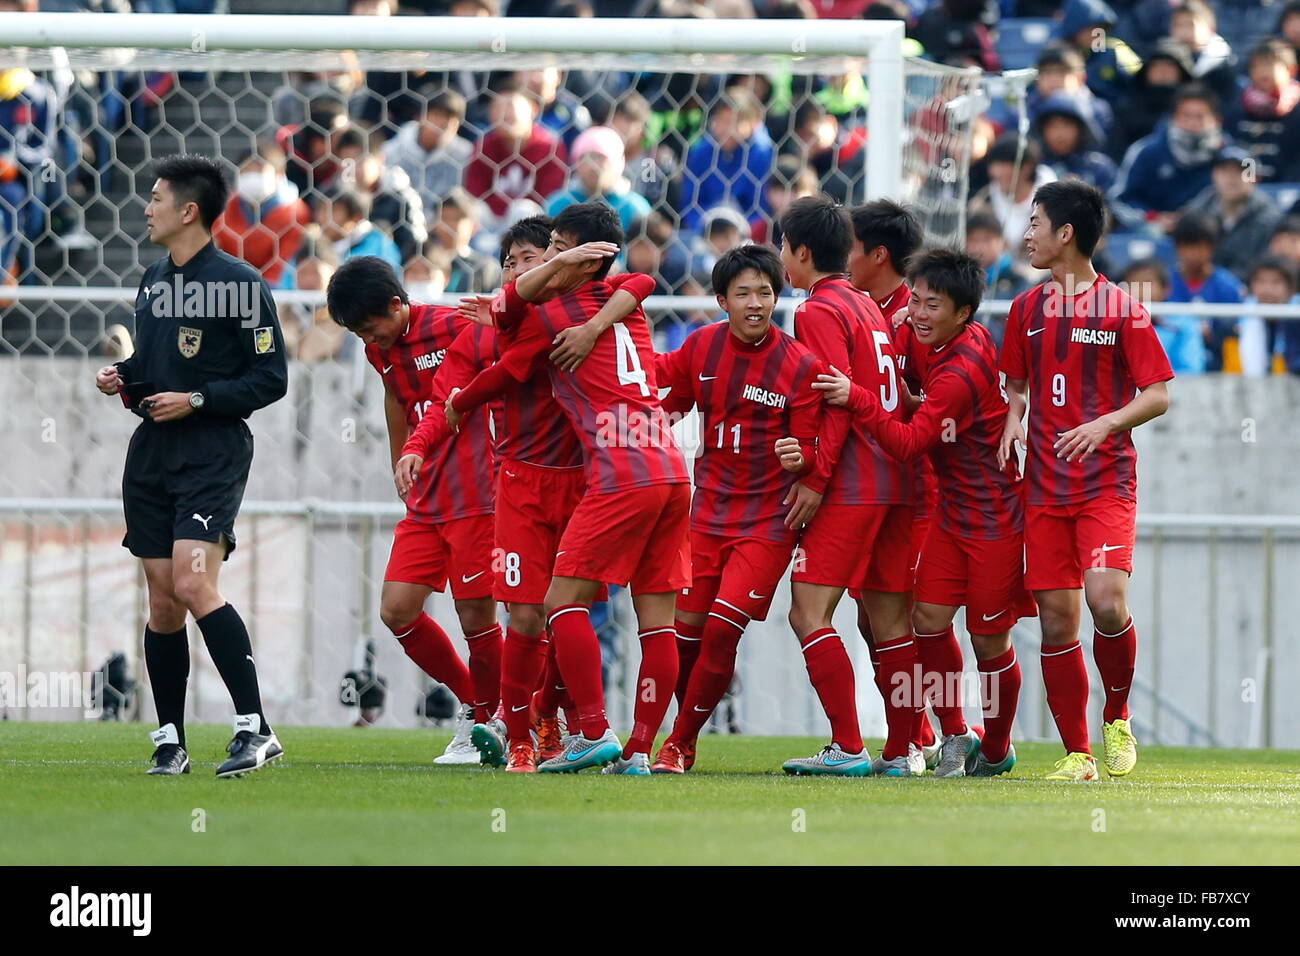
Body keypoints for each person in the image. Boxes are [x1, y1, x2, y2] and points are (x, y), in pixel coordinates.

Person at [449, 202, 691, 775]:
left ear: (586, 260)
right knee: (656, 621)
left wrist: (459, 403)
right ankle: (637, 753)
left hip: (619, 473)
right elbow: (639, 280)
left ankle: (592, 731)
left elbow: (507, 349)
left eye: (559, 249)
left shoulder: (554, 313)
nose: (548, 260)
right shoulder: (625, 306)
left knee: (559, 603)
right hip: (671, 468)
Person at [94, 154, 288, 778]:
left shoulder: (241, 283)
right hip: (153, 453)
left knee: (193, 581)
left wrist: (197, 400)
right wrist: (122, 376)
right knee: (162, 599)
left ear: (188, 211)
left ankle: (255, 728)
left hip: (212, 450)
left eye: (155, 198)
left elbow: (271, 377)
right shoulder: (154, 280)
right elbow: (154, 369)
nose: (145, 208)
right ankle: (170, 741)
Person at [814, 248, 1032, 778]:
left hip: (994, 516)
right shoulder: (925, 335)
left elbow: (910, 442)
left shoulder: (962, 366)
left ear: (963, 313)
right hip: (951, 512)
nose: (917, 313)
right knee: (928, 621)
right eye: (915, 300)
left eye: (932, 305)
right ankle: (955, 735)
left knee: (989, 640)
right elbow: (909, 389)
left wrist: (856, 397)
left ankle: (996, 746)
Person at [999, 180, 1173, 781]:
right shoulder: (1025, 310)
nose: (1027, 235)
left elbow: (1157, 394)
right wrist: (1014, 419)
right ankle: (1078, 755)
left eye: (1035, 223)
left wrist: (1106, 423)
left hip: (1104, 483)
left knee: (1106, 602)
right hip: (1043, 487)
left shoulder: (1122, 308)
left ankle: (1117, 716)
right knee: (1055, 621)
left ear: (1066, 233)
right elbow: (1016, 385)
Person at [647, 244, 824, 774]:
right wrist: (632, 435)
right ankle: (689, 726)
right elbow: (664, 402)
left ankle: (679, 741)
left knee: (724, 629)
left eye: (765, 293)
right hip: (707, 513)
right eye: (743, 293)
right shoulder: (701, 347)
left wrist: (801, 456)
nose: (755, 303)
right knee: (684, 636)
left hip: (768, 520)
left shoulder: (800, 364)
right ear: (722, 301)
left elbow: (812, 447)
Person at [325, 256, 502, 766]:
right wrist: (398, 459)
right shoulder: (378, 350)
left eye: (370, 327)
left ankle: (501, 718)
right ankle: (479, 705)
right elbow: (394, 399)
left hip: (477, 495)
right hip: (426, 500)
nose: (369, 339)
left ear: (397, 304)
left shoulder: (454, 326)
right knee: (397, 610)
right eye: (358, 333)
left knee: (476, 616)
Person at [774, 195, 915, 777]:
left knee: (808, 611)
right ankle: (903, 751)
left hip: (853, 479)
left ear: (803, 253)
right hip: (894, 477)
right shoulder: (864, 302)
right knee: (888, 618)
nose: (781, 258)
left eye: (784, 247)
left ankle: (848, 746)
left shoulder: (817, 310)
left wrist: (815, 477)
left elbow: (832, 399)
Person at [845, 197, 942, 765]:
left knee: (914, 618)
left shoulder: (921, 315)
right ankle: (919, 734)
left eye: (850, 247)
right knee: (871, 617)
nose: (842, 257)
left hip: (918, 488)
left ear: (878, 255)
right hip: (872, 485)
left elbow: (941, 402)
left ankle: (945, 732)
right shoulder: (858, 308)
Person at [1109, 85, 1227, 234]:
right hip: (1150, 232)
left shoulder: (1230, 156)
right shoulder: (1145, 151)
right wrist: (1152, 218)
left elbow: (1245, 198)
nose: (1192, 123)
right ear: (1173, 118)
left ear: (1216, 120)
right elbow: (1120, 200)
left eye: (1200, 117)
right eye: (1186, 116)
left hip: (1208, 233)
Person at [464, 80, 568, 221]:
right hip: (491, 223)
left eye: (511, 106)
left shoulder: (549, 148)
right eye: (498, 108)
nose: (505, 114)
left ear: (533, 110)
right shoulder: (483, 148)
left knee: (524, 210)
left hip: (534, 225)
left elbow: (549, 198)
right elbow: (475, 194)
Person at [212, 140, 310, 288]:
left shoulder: (295, 213)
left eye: (259, 171)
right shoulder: (222, 209)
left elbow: (283, 265)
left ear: (278, 174)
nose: (251, 177)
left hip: (275, 292)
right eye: (245, 171)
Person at [679, 86, 775, 232]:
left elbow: (762, 208)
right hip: (706, 230)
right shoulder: (701, 151)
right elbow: (690, 204)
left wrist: (738, 230)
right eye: (721, 120)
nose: (726, 129)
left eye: (733, 122)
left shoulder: (763, 154)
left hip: (747, 232)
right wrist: (706, 227)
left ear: (753, 123)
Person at [1185, 146, 1281, 285]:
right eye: (1224, 171)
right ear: (1214, 175)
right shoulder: (1197, 211)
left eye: (1240, 172)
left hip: (1251, 289)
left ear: (1254, 178)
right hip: (1203, 286)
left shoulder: (1270, 218)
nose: (1231, 178)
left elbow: (1268, 265)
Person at [382, 90, 473, 228]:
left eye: (452, 119)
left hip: (443, 229)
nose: (444, 125)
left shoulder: (464, 155)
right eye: (437, 116)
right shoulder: (392, 151)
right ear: (420, 118)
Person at [1168, 209, 1243, 372]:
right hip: (1172, 364)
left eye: (1200, 247)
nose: (1193, 254)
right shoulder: (1164, 284)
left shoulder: (1229, 286)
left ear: (1212, 247)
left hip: (1220, 364)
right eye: (1187, 246)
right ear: (1177, 247)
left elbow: (1235, 330)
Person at [543, 124, 651, 230]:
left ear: (619, 162)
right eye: (586, 157)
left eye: (601, 157)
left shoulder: (635, 208)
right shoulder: (559, 204)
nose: (593, 165)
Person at [1119, 257, 1206, 374]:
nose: (1139, 290)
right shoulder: (1115, 324)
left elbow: (1191, 370)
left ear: (1165, 289)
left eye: (1146, 283)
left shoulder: (1184, 324)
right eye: (1132, 283)